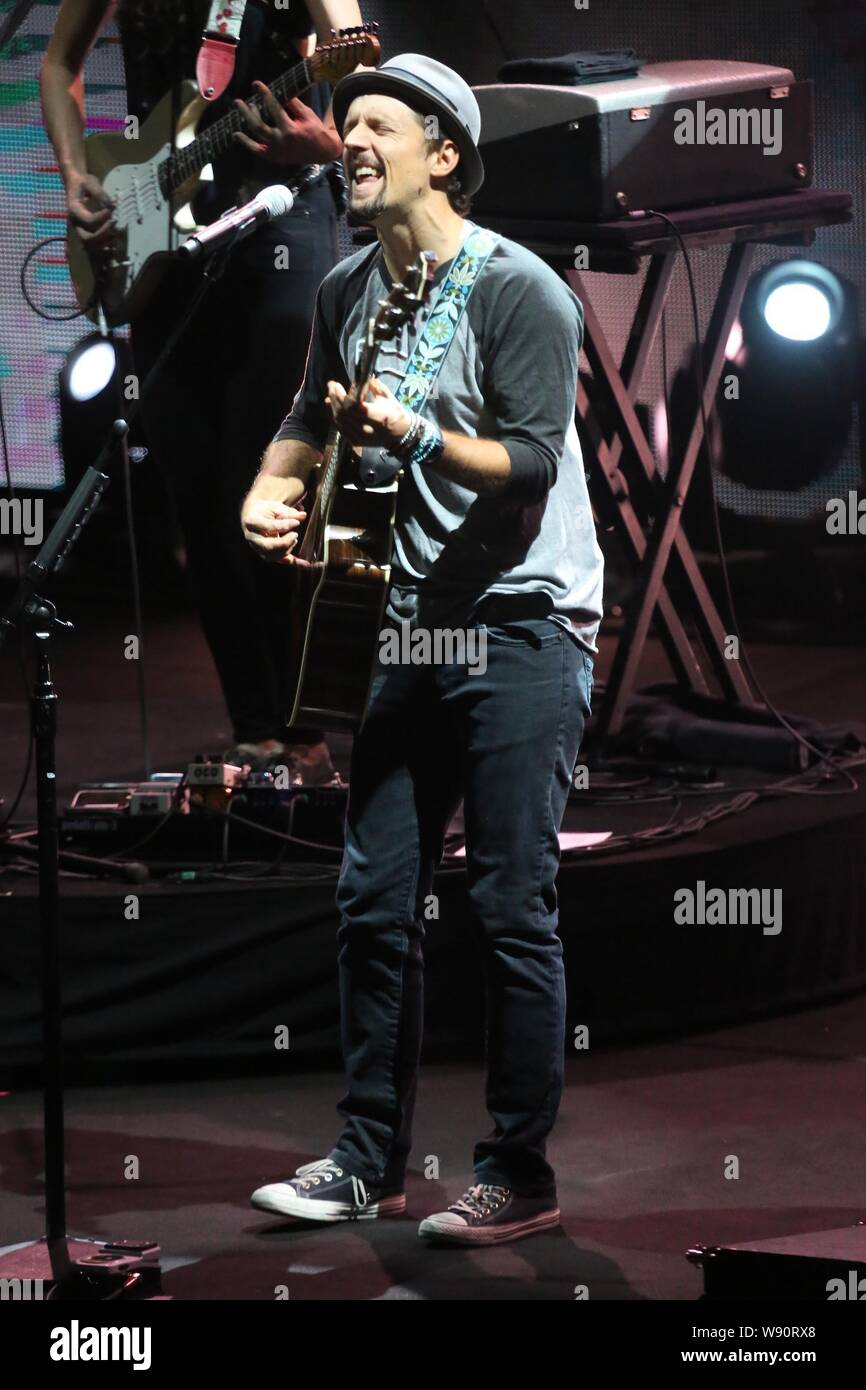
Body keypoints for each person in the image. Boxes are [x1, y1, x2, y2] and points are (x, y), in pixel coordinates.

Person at [242, 54, 604, 1246]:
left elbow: (533, 461)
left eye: (376, 125)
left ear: (442, 153)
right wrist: (268, 489)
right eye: (344, 127)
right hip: (410, 621)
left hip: (522, 620)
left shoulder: (520, 289)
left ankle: (518, 1171)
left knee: (508, 901)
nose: (349, 141)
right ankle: (366, 1159)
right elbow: (307, 413)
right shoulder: (350, 287)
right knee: (370, 901)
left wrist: (419, 432)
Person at [40, 0, 368, 781]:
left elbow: (364, 70)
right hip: (157, 224)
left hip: (282, 223)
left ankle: (307, 730)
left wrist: (332, 143)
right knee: (200, 495)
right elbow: (58, 64)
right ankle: (255, 729)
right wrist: (79, 177)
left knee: (281, 483)